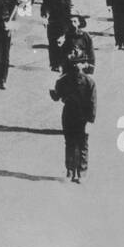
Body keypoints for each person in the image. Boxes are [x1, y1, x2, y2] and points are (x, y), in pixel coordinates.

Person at [51, 56, 96, 184]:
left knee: (82, 144)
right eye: (74, 64)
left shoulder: (89, 82)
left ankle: (81, 172)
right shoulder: (64, 80)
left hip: (83, 116)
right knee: (70, 142)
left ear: (84, 65)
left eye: (79, 63)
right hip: (69, 114)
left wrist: (90, 121)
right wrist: (54, 93)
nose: (76, 66)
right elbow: (57, 95)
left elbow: (93, 104)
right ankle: (70, 170)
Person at [44, 0, 75, 69]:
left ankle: (62, 63)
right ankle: (54, 64)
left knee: (63, 44)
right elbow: (44, 9)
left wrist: (69, 24)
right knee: (52, 44)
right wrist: (44, 17)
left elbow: (70, 12)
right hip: (52, 24)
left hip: (63, 24)